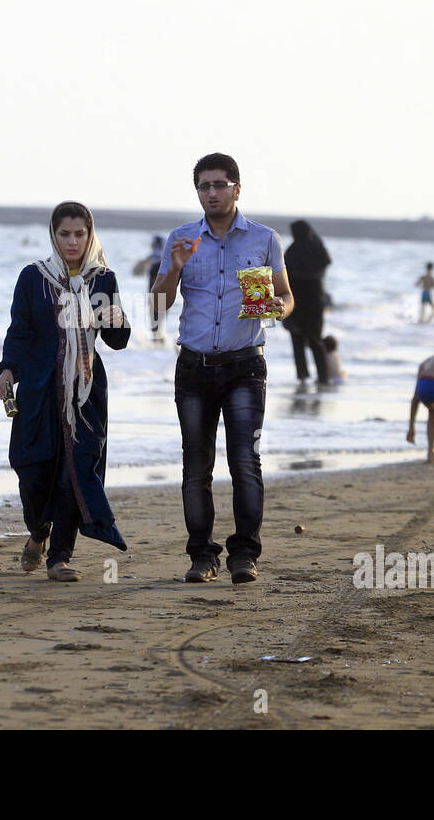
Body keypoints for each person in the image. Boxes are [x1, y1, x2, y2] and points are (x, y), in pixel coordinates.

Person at [151, 153, 292, 585]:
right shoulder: (181, 239)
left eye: (219, 184)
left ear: (237, 188)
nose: (211, 193)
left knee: (245, 460)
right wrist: (173, 268)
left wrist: (276, 308)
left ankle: (245, 554)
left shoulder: (264, 239)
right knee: (196, 466)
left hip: (245, 366)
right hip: (193, 367)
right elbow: (156, 307)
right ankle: (201, 556)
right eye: (203, 186)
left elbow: (286, 298)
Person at [0, 201, 131, 582]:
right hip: (39, 390)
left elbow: (118, 341)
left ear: (90, 235)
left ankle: (59, 558)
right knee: (32, 470)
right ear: (53, 235)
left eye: (80, 234)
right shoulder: (32, 277)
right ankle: (39, 532)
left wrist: (117, 318)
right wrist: (7, 369)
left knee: (77, 471)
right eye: (64, 234)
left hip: (86, 394)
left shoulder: (103, 279)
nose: (72, 242)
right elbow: (19, 331)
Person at [283, 220, 332, 388]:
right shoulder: (311, 249)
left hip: (307, 301)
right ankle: (312, 376)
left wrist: (299, 276)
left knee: (311, 339)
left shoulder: (297, 250)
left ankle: (316, 376)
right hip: (303, 301)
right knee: (304, 338)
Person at [133, 234, 168, 343]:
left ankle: (157, 338)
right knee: (161, 315)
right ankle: (159, 338)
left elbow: (136, 272)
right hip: (165, 292)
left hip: (153, 291)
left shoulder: (152, 258)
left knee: (154, 315)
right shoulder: (166, 258)